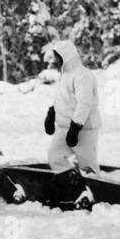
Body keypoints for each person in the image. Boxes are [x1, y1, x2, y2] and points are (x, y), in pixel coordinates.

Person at [44, 38, 101, 174]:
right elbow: (61, 99)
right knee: (55, 157)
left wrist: (75, 127)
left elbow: (84, 104)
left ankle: (94, 190)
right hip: (64, 127)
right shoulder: (64, 75)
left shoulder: (83, 76)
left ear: (67, 57)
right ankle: (73, 185)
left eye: (58, 57)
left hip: (84, 129)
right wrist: (51, 115)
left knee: (87, 164)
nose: (55, 61)